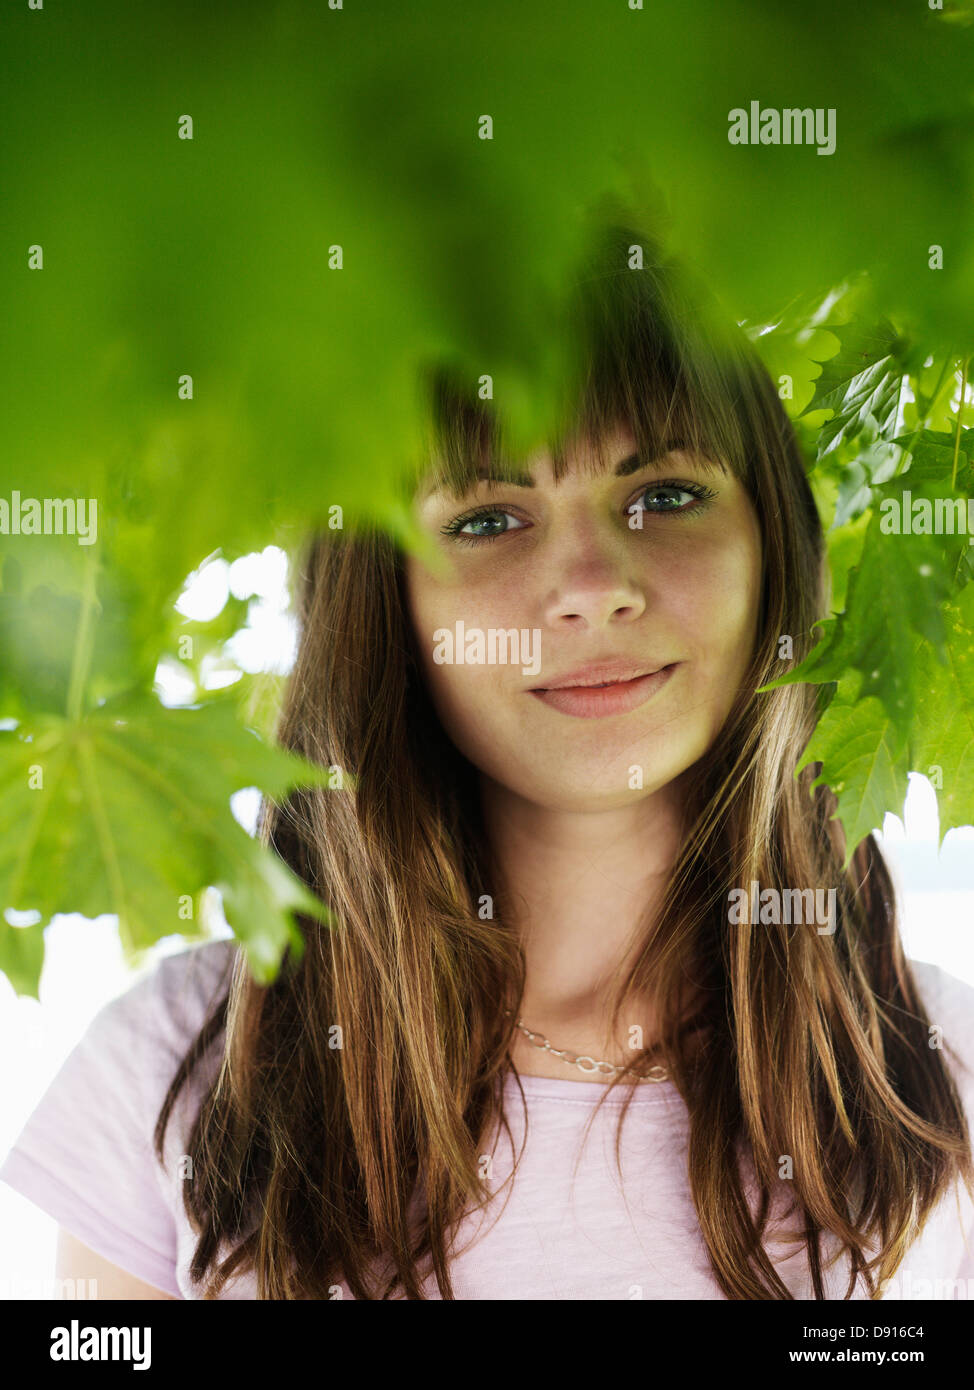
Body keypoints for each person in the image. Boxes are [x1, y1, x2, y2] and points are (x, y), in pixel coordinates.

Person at [3, 224, 973, 1301]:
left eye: (663, 495)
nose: (591, 584)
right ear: (384, 606)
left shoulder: (944, 1071)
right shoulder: (174, 1070)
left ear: (774, 552)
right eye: (488, 517)